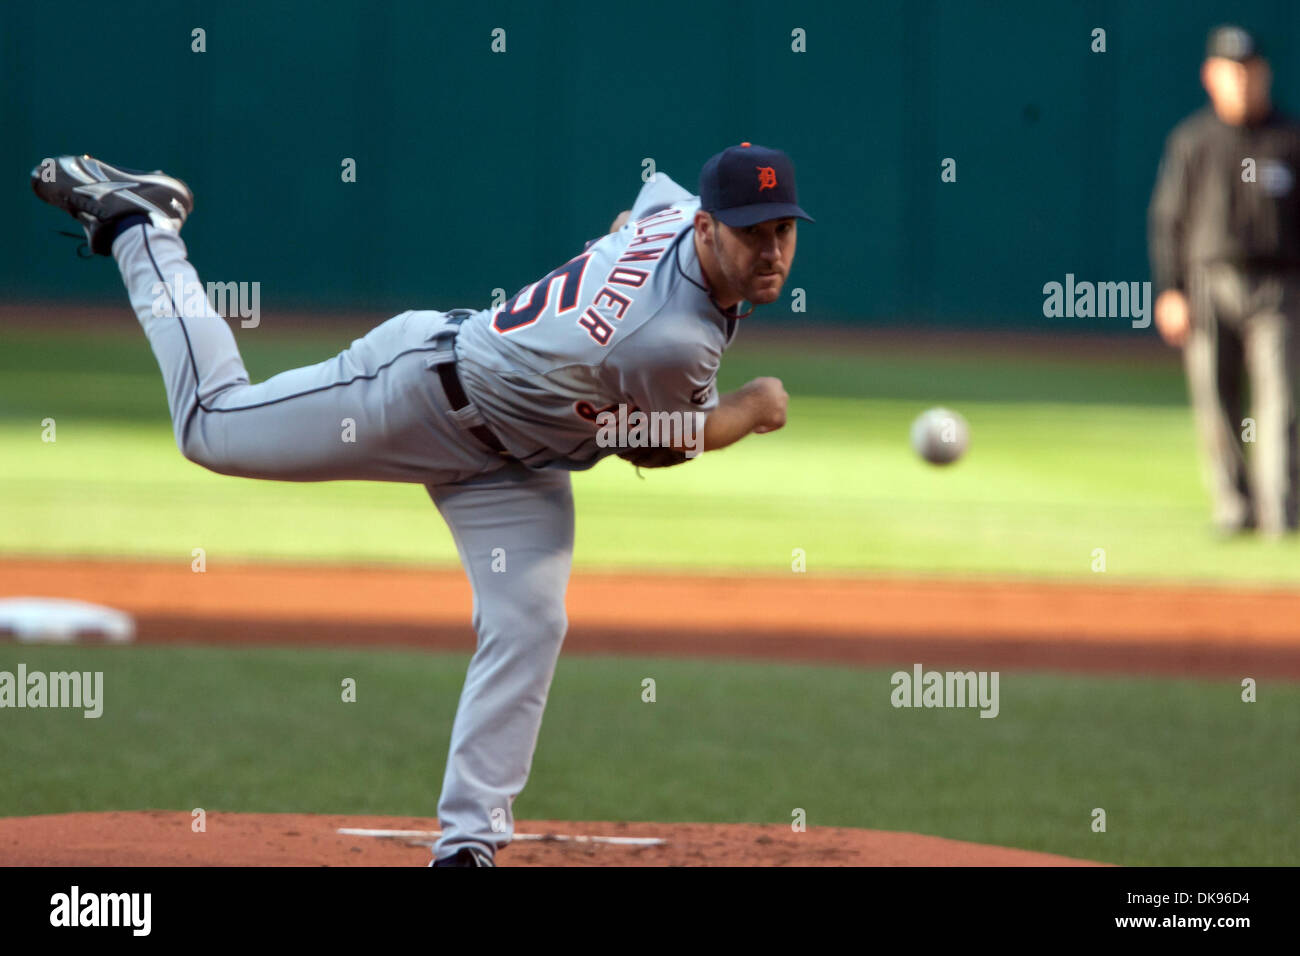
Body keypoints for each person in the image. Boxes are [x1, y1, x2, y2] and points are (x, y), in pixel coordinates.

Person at [31, 142, 810, 865]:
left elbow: (638, 208)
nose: (771, 250)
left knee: (529, 622)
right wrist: (749, 410)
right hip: (421, 397)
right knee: (210, 425)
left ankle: (468, 845)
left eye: (782, 230)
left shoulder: (677, 212)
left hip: (516, 463)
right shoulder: (667, 339)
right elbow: (649, 443)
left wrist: (604, 283)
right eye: (751, 233)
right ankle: (141, 223)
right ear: (708, 228)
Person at [1150, 25, 1300, 536]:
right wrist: (1171, 290)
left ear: (1265, 74)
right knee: (1217, 401)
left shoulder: (1290, 139)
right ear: (1211, 76)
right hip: (1209, 282)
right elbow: (1168, 220)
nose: (1242, 81)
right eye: (1231, 71)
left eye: (1250, 70)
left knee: (1280, 400)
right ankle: (1236, 508)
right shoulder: (1193, 141)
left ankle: (1283, 512)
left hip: (1280, 287)